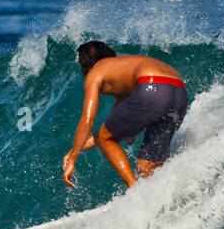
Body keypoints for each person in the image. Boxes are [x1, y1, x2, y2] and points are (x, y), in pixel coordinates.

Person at [62, 40, 188, 188]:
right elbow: (110, 132)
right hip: (179, 92)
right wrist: (74, 150)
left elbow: (88, 121)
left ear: (85, 65)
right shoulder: (124, 69)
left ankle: (134, 189)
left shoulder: (95, 72)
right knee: (146, 168)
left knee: (106, 137)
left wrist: (72, 160)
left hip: (150, 86)